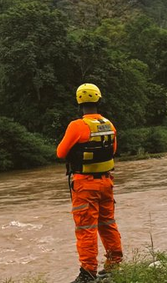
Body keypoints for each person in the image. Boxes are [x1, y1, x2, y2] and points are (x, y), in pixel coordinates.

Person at [56, 83, 124, 283]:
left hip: (85, 184)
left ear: (79, 102)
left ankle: (88, 272)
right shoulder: (109, 124)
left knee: (85, 228)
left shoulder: (77, 126)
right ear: (99, 100)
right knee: (108, 223)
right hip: (106, 182)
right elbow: (112, 150)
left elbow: (60, 153)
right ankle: (114, 265)